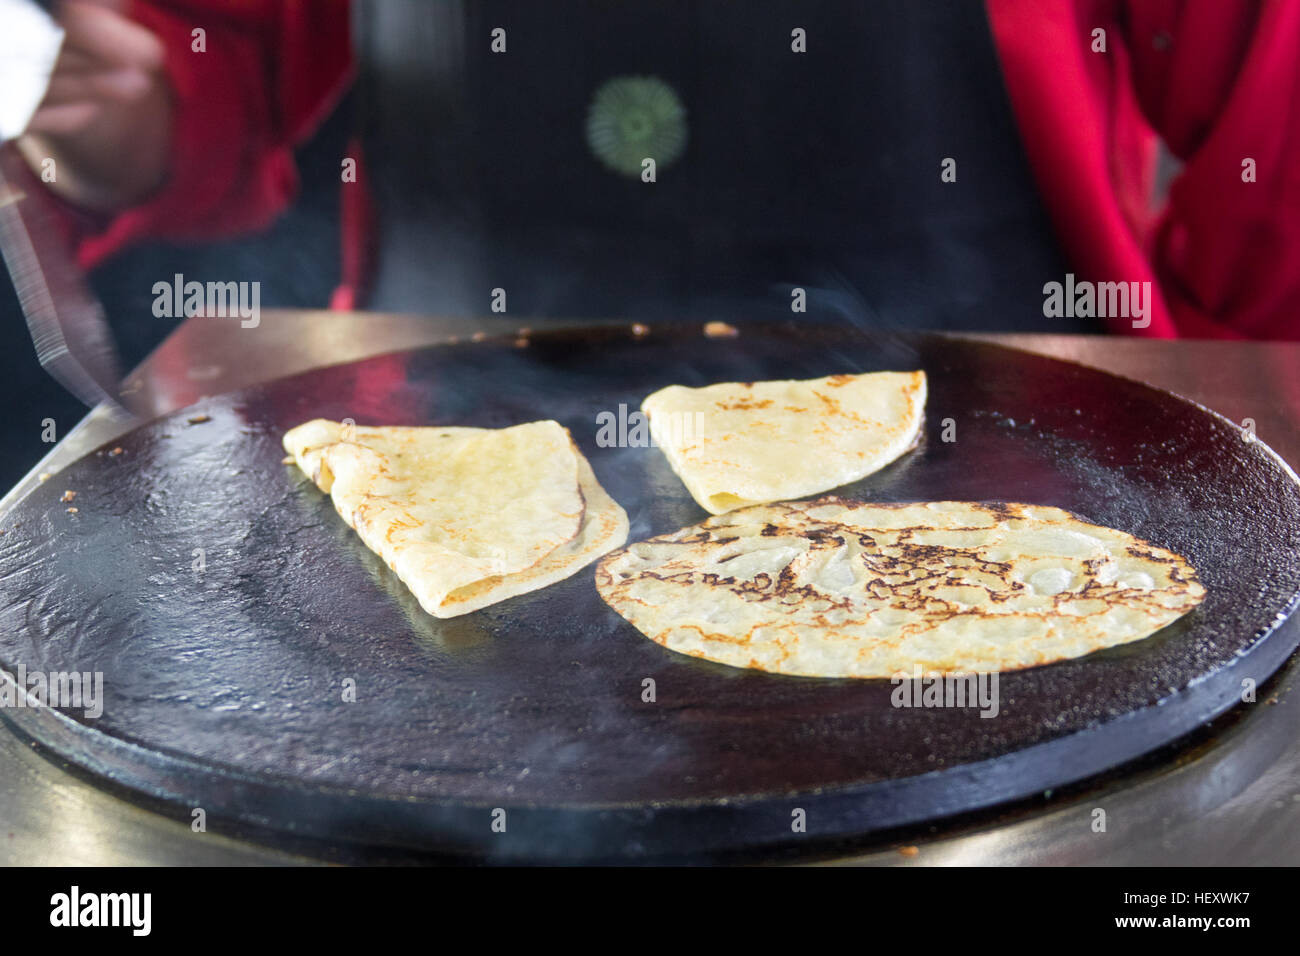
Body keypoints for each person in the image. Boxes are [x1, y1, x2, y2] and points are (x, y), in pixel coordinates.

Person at [2, 0, 1297, 484]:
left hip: (1009, 445)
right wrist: (151, 106)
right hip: (439, 440)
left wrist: (1223, 438)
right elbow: (232, 51)